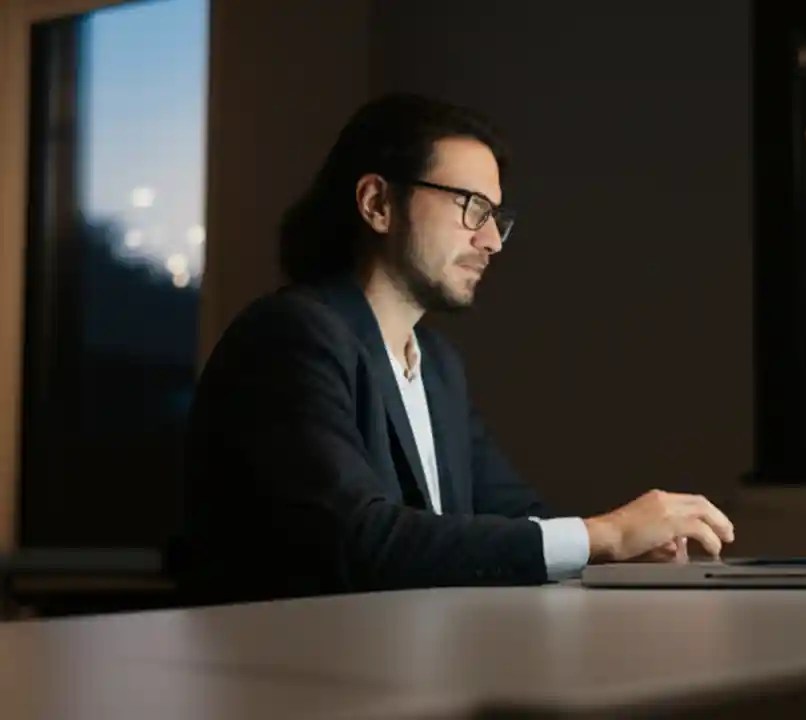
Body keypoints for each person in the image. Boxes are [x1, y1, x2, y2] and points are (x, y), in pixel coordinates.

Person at [179, 94, 734, 603]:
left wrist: (626, 547)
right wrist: (603, 536)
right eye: (471, 206)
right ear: (377, 203)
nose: (490, 240)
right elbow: (356, 539)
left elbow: (515, 517)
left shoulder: (438, 365)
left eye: (496, 217)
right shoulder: (291, 335)